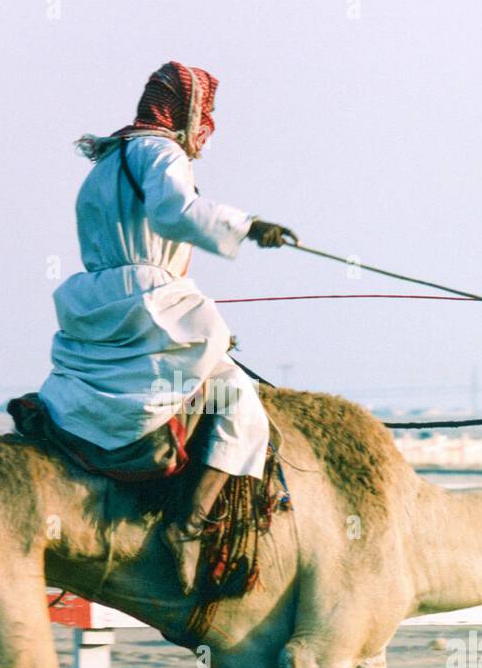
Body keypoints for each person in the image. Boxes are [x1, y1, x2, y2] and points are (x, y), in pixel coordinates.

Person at [38, 61, 296, 595]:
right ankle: (186, 528)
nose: (210, 125)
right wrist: (248, 227)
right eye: (208, 111)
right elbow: (175, 210)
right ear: (187, 110)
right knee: (241, 407)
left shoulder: (104, 165)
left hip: (106, 307)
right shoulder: (160, 152)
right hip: (149, 305)